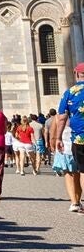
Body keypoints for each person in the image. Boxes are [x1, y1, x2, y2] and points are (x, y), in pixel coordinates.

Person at [53, 63, 84, 213]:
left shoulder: (70, 92)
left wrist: (57, 138)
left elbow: (62, 117)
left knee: (83, 170)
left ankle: (76, 202)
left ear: (76, 74)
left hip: (79, 139)